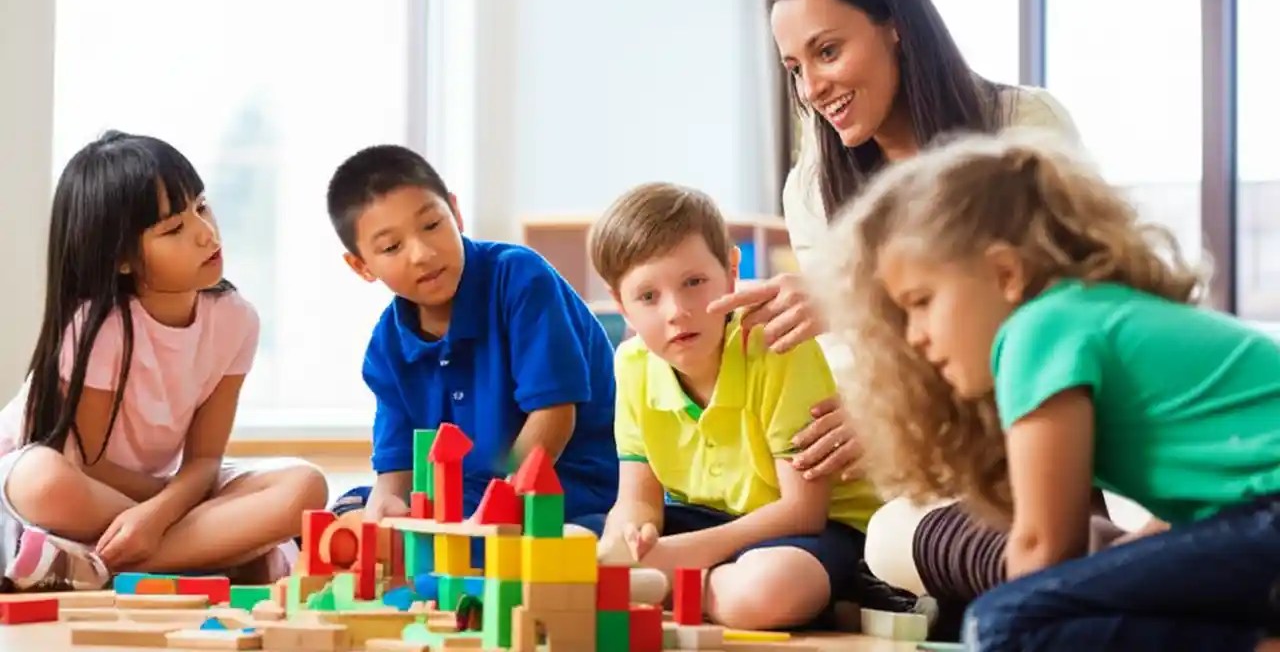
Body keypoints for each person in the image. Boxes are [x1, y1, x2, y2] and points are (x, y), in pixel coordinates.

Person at [707, 0, 1114, 627]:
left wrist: (855, 302)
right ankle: (1093, 568)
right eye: (795, 68)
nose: (813, 88)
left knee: (1000, 602)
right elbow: (864, 367)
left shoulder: (1022, 125)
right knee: (897, 538)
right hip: (936, 482)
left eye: (828, 52)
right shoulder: (813, 188)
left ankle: (1079, 565)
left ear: (893, 26)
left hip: (1044, 429)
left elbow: (1076, 305)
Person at [810, 127, 1280, 651]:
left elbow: (1044, 549)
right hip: (1257, 521)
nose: (914, 335)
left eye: (921, 302)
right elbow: (1184, 514)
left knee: (1005, 621)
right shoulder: (1088, 313)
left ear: (1005, 273)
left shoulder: (1036, 331)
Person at [0, 131, 328, 591]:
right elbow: (88, 463)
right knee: (44, 482)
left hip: (157, 492)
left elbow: (204, 459)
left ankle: (92, 565)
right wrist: (181, 509)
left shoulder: (235, 321)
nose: (205, 233)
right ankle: (214, 557)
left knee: (305, 487)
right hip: (59, 481)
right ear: (122, 261)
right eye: (174, 229)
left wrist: (163, 511)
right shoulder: (100, 328)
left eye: (202, 206)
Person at [586, 182, 882, 630]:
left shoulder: (774, 344)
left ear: (730, 270)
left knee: (768, 589)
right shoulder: (631, 363)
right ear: (621, 305)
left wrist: (674, 557)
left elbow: (804, 510)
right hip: (706, 524)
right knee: (573, 539)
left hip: (810, 531)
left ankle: (671, 589)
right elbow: (637, 500)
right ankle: (683, 586)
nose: (677, 311)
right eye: (648, 297)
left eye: (694, 283)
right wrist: (629, 538)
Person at [325, 145, 618, 535]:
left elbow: (554, 416)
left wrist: (495, 508)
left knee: (562, 540)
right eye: (392, 247)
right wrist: (385, 513)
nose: (423, 254)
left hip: (560, 488)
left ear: (455, 212)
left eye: (432, 225)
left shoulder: (521, 278)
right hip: (461, 499)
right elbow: (395, 472)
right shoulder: (387, 347)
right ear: (361, 266)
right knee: (348, 512)